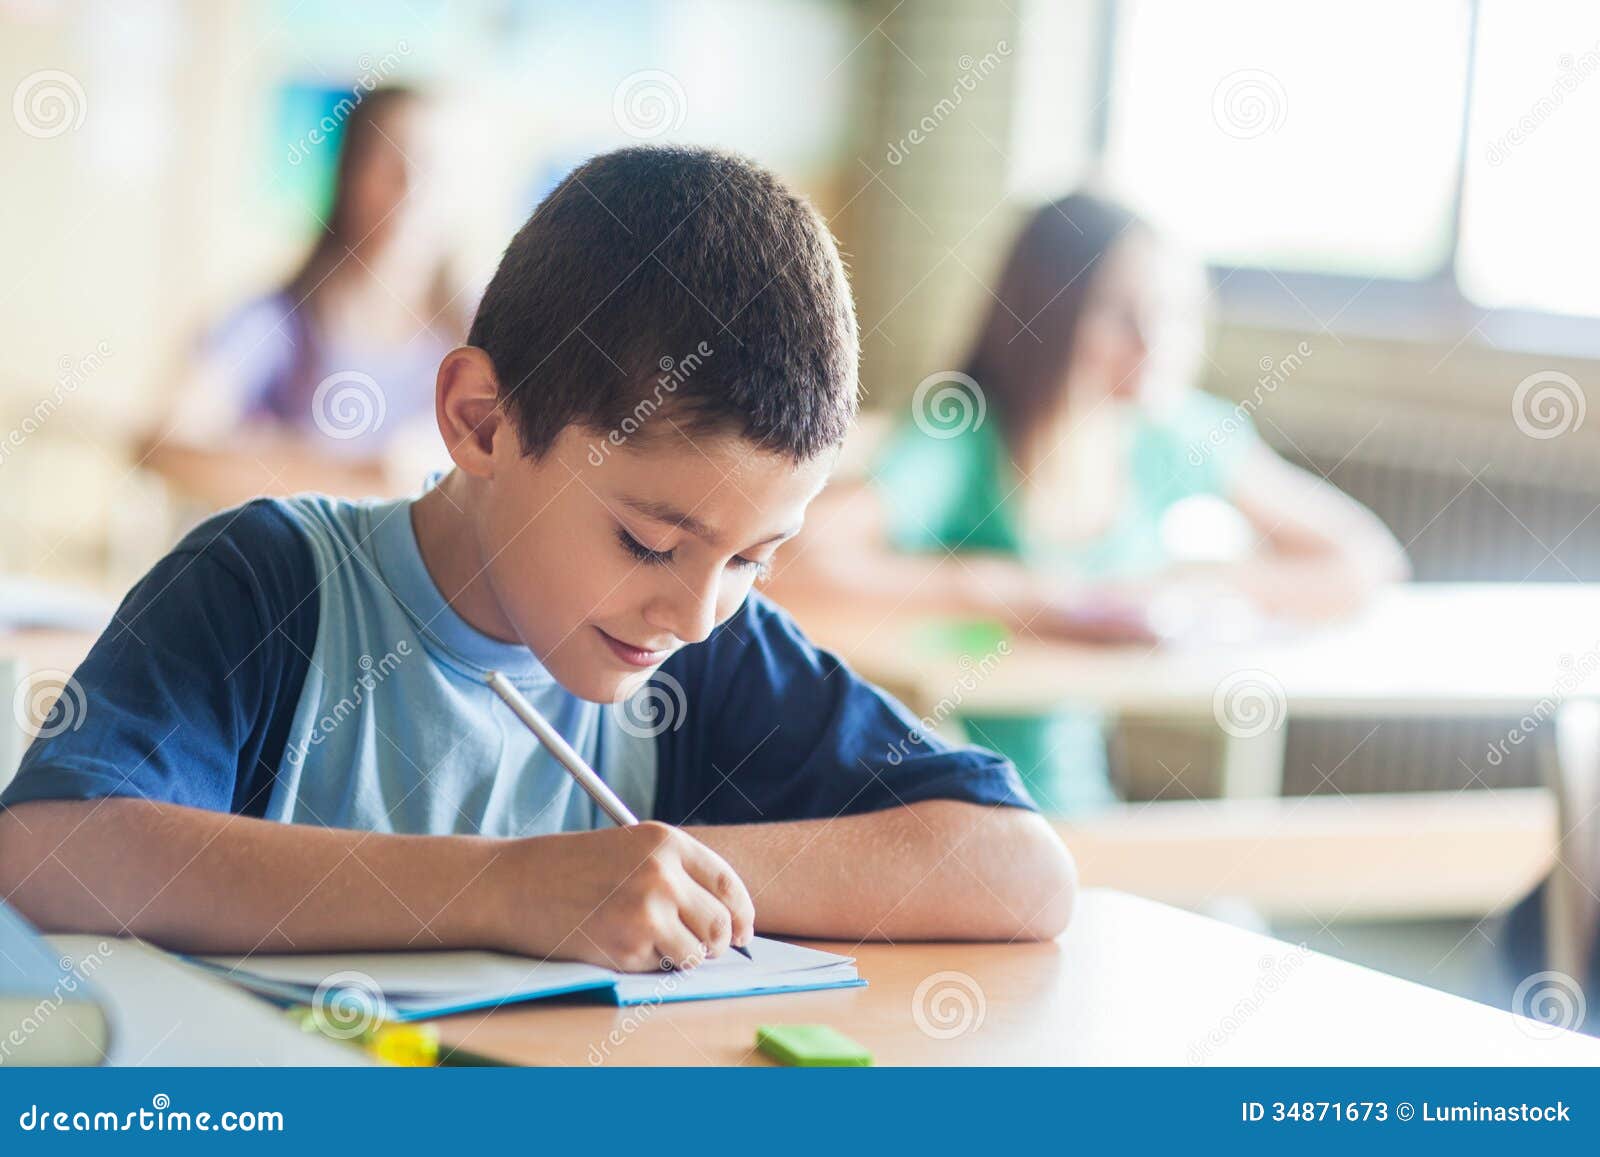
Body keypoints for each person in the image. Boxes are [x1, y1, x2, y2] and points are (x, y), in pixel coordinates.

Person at [0, 147, 1075, 967]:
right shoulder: (269, 581)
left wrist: (656, 878)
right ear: (478, 422)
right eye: (647, 539)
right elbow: (49, 848)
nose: (700, 607)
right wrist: (504, 887)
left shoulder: (694, 651)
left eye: (756, 556)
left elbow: (1020, 869)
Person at [770, 193, 1408, 813]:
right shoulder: (964, 436)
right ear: (1046, 311)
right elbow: (798, 557)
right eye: (1118, 313)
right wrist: (1013, 592)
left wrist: (1185, 587)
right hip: (946, 801)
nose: (1154, 341)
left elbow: (1362, 558)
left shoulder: (1174, 434)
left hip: (1079, 804)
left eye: (1174, 312)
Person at [145, 86, 465, 506]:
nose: (410, 188)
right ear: (347, 174)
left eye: (431, 168)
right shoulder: (274, 322)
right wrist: (360, 480)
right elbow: (161, 446)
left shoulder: (479, 335)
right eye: (390, 161)